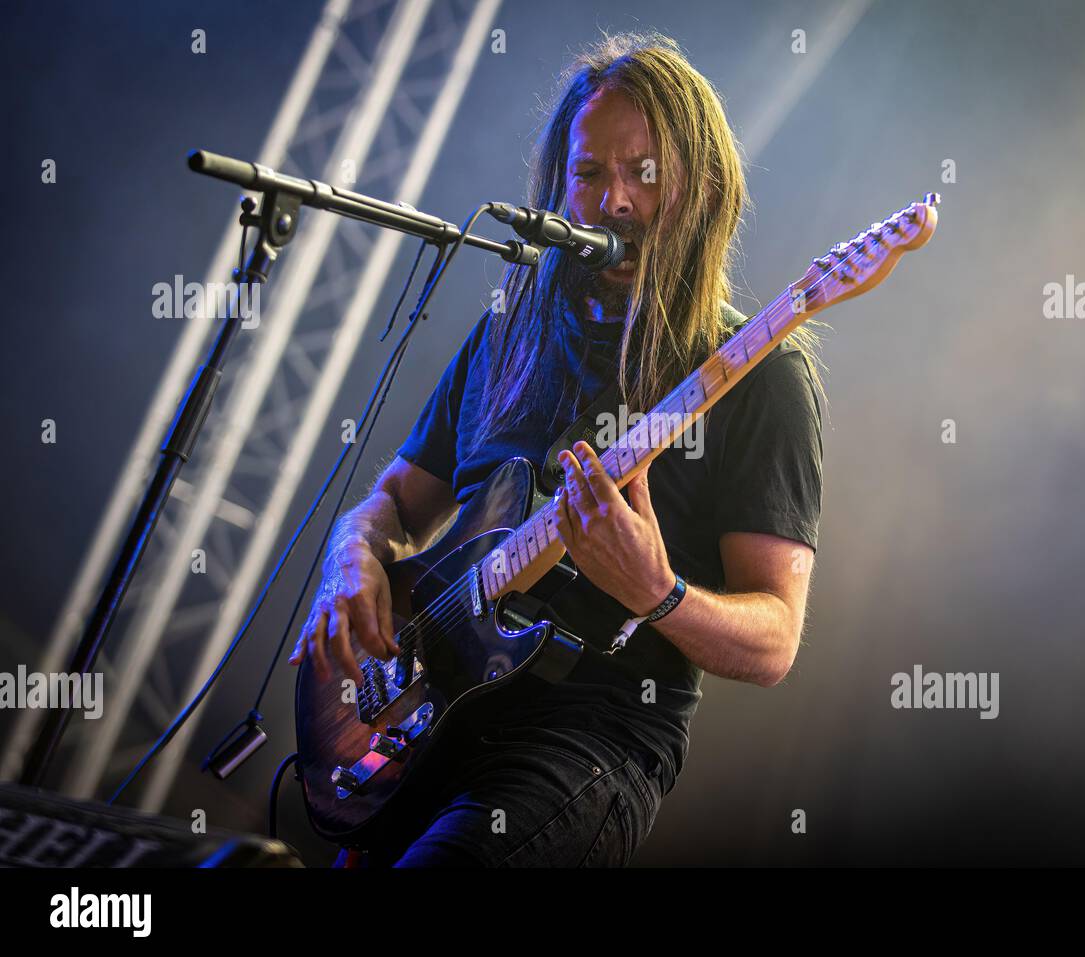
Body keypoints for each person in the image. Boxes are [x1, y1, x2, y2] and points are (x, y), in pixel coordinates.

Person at [289, 31, 824, 867]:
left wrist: (659, 590)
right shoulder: (511, 332)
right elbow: (394, 502)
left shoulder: (759, 372)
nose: (611, 200)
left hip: (586, 743)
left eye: (642, 173)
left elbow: (774, 642)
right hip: (428, 718)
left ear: (702, 189)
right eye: (587, 174)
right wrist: (350, 555)